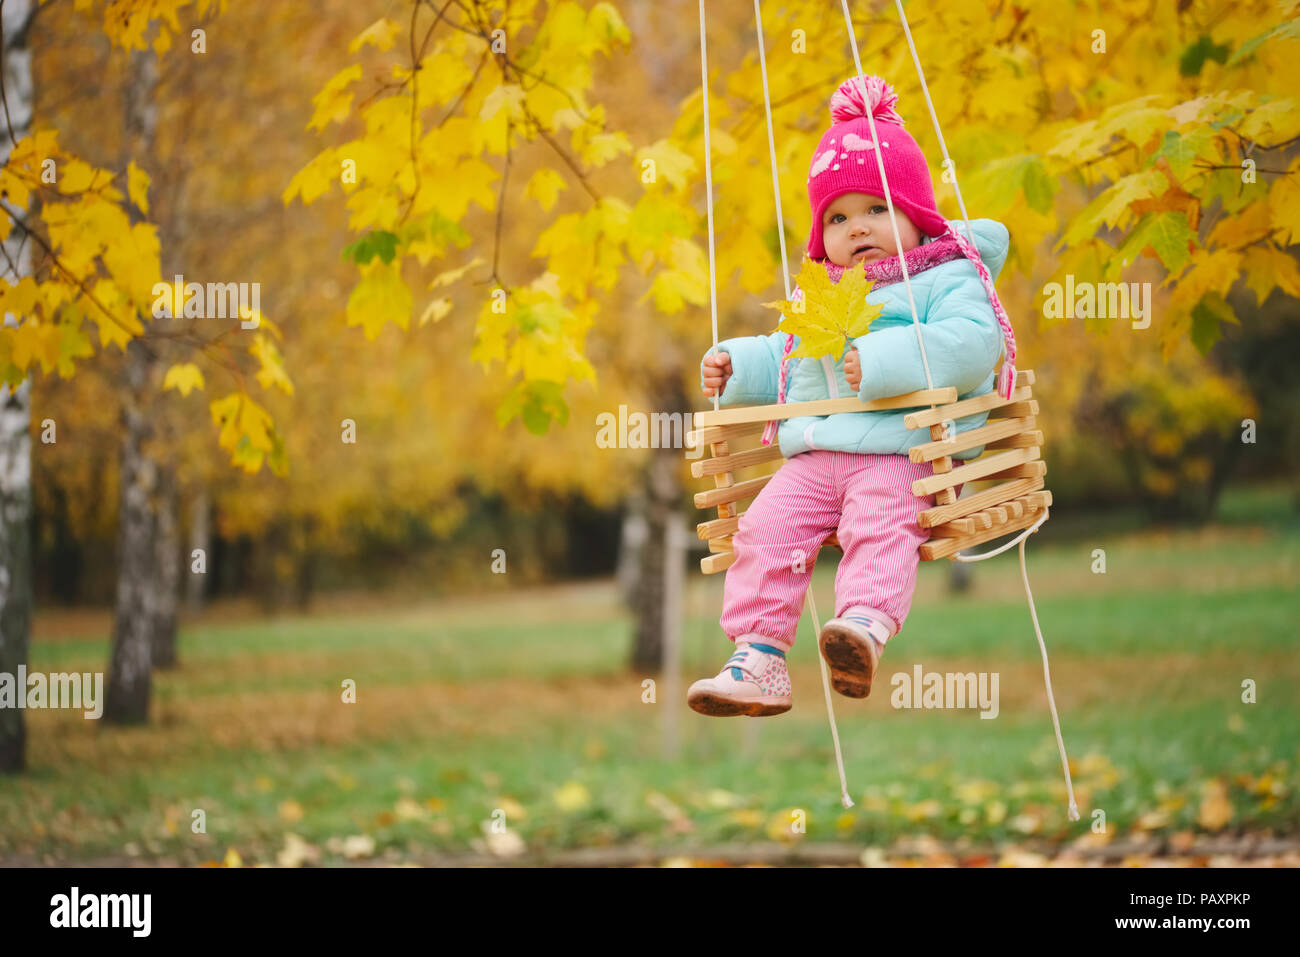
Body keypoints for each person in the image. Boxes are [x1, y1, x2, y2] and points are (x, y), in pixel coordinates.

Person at [688, 75, 1018, 717]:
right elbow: (789, 357)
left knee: (880, 523)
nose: (856, 228)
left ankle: (861, 628)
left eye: (876, 209)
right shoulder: (822, 295)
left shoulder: (947, 277)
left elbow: (974, 342)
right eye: (837, 218)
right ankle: (758, 659)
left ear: (916, 216)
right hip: (815, 454)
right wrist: (737, 364)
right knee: (765, 529)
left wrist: (886, 359)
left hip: (899, 451)